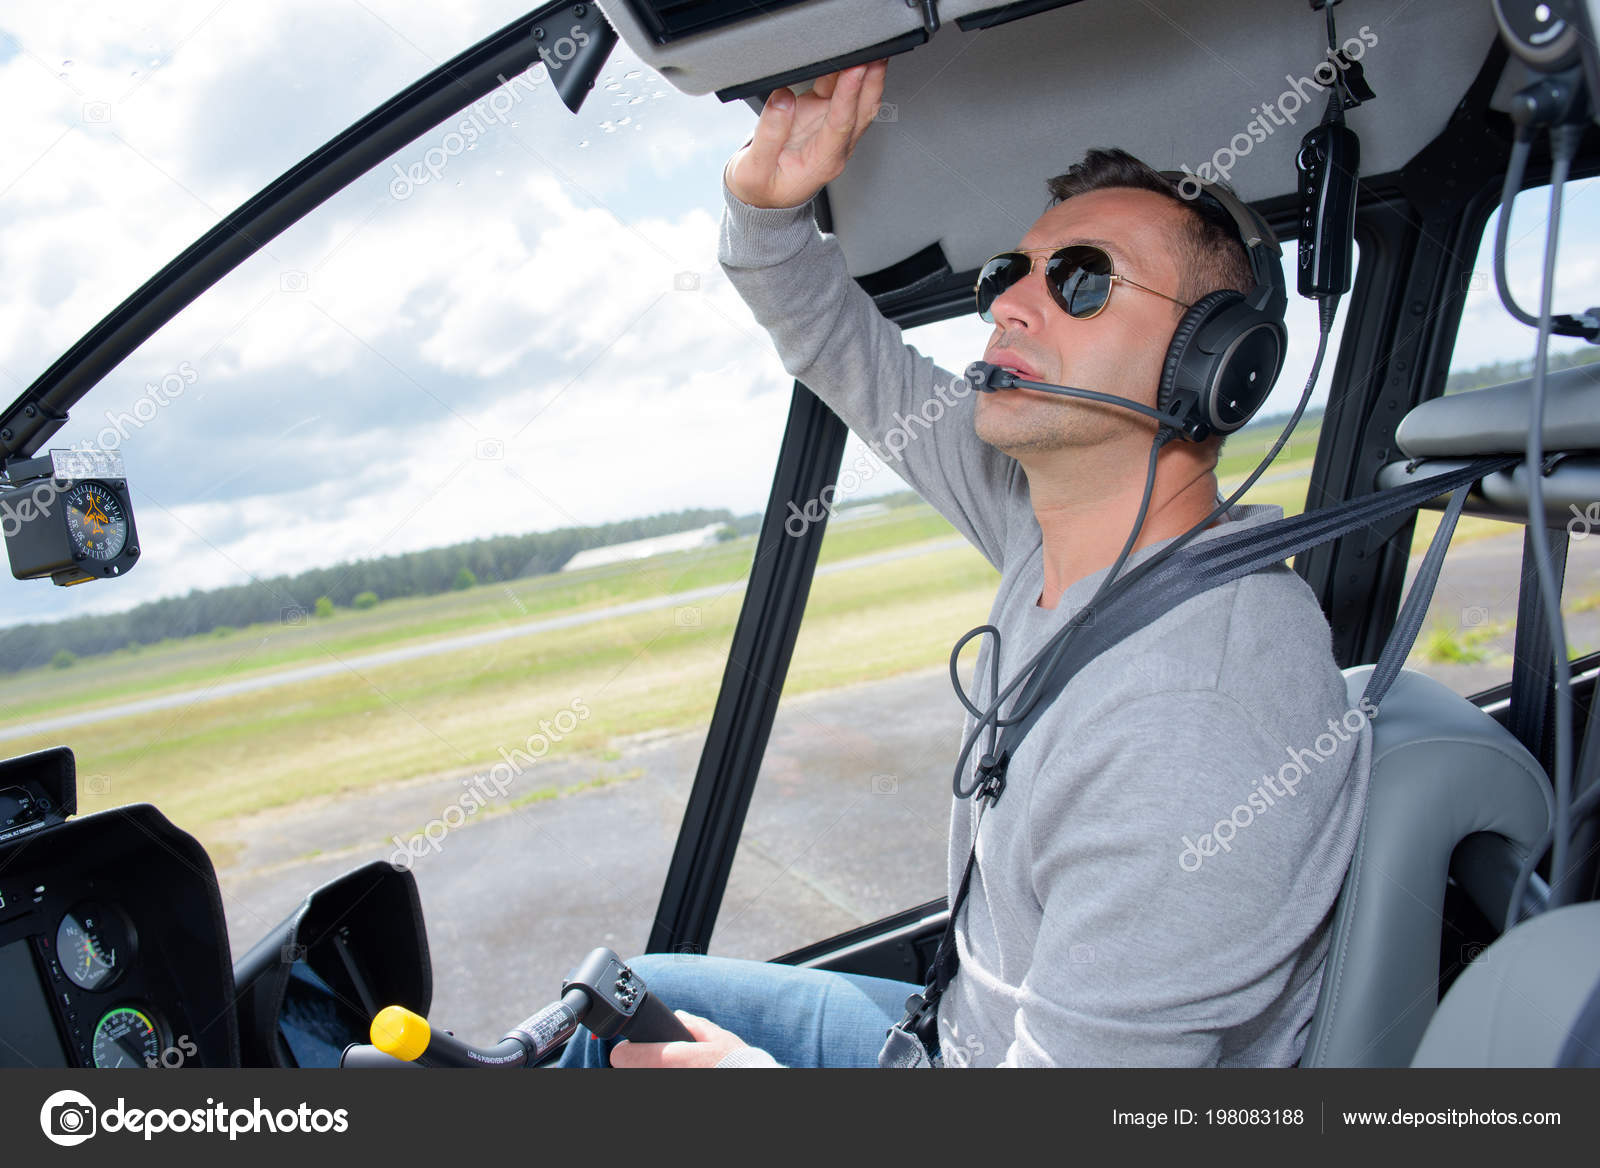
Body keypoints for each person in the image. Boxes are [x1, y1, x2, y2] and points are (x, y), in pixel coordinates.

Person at [559, 59, 1370, 1069]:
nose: (1009, 306)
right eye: (1008, 276)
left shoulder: (1196, 716)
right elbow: (843, 348)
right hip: (953, 1035)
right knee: (618, 1004)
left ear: (1216, 361)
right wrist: (763, 211)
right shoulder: (1049, 526)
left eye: (1081, 279)